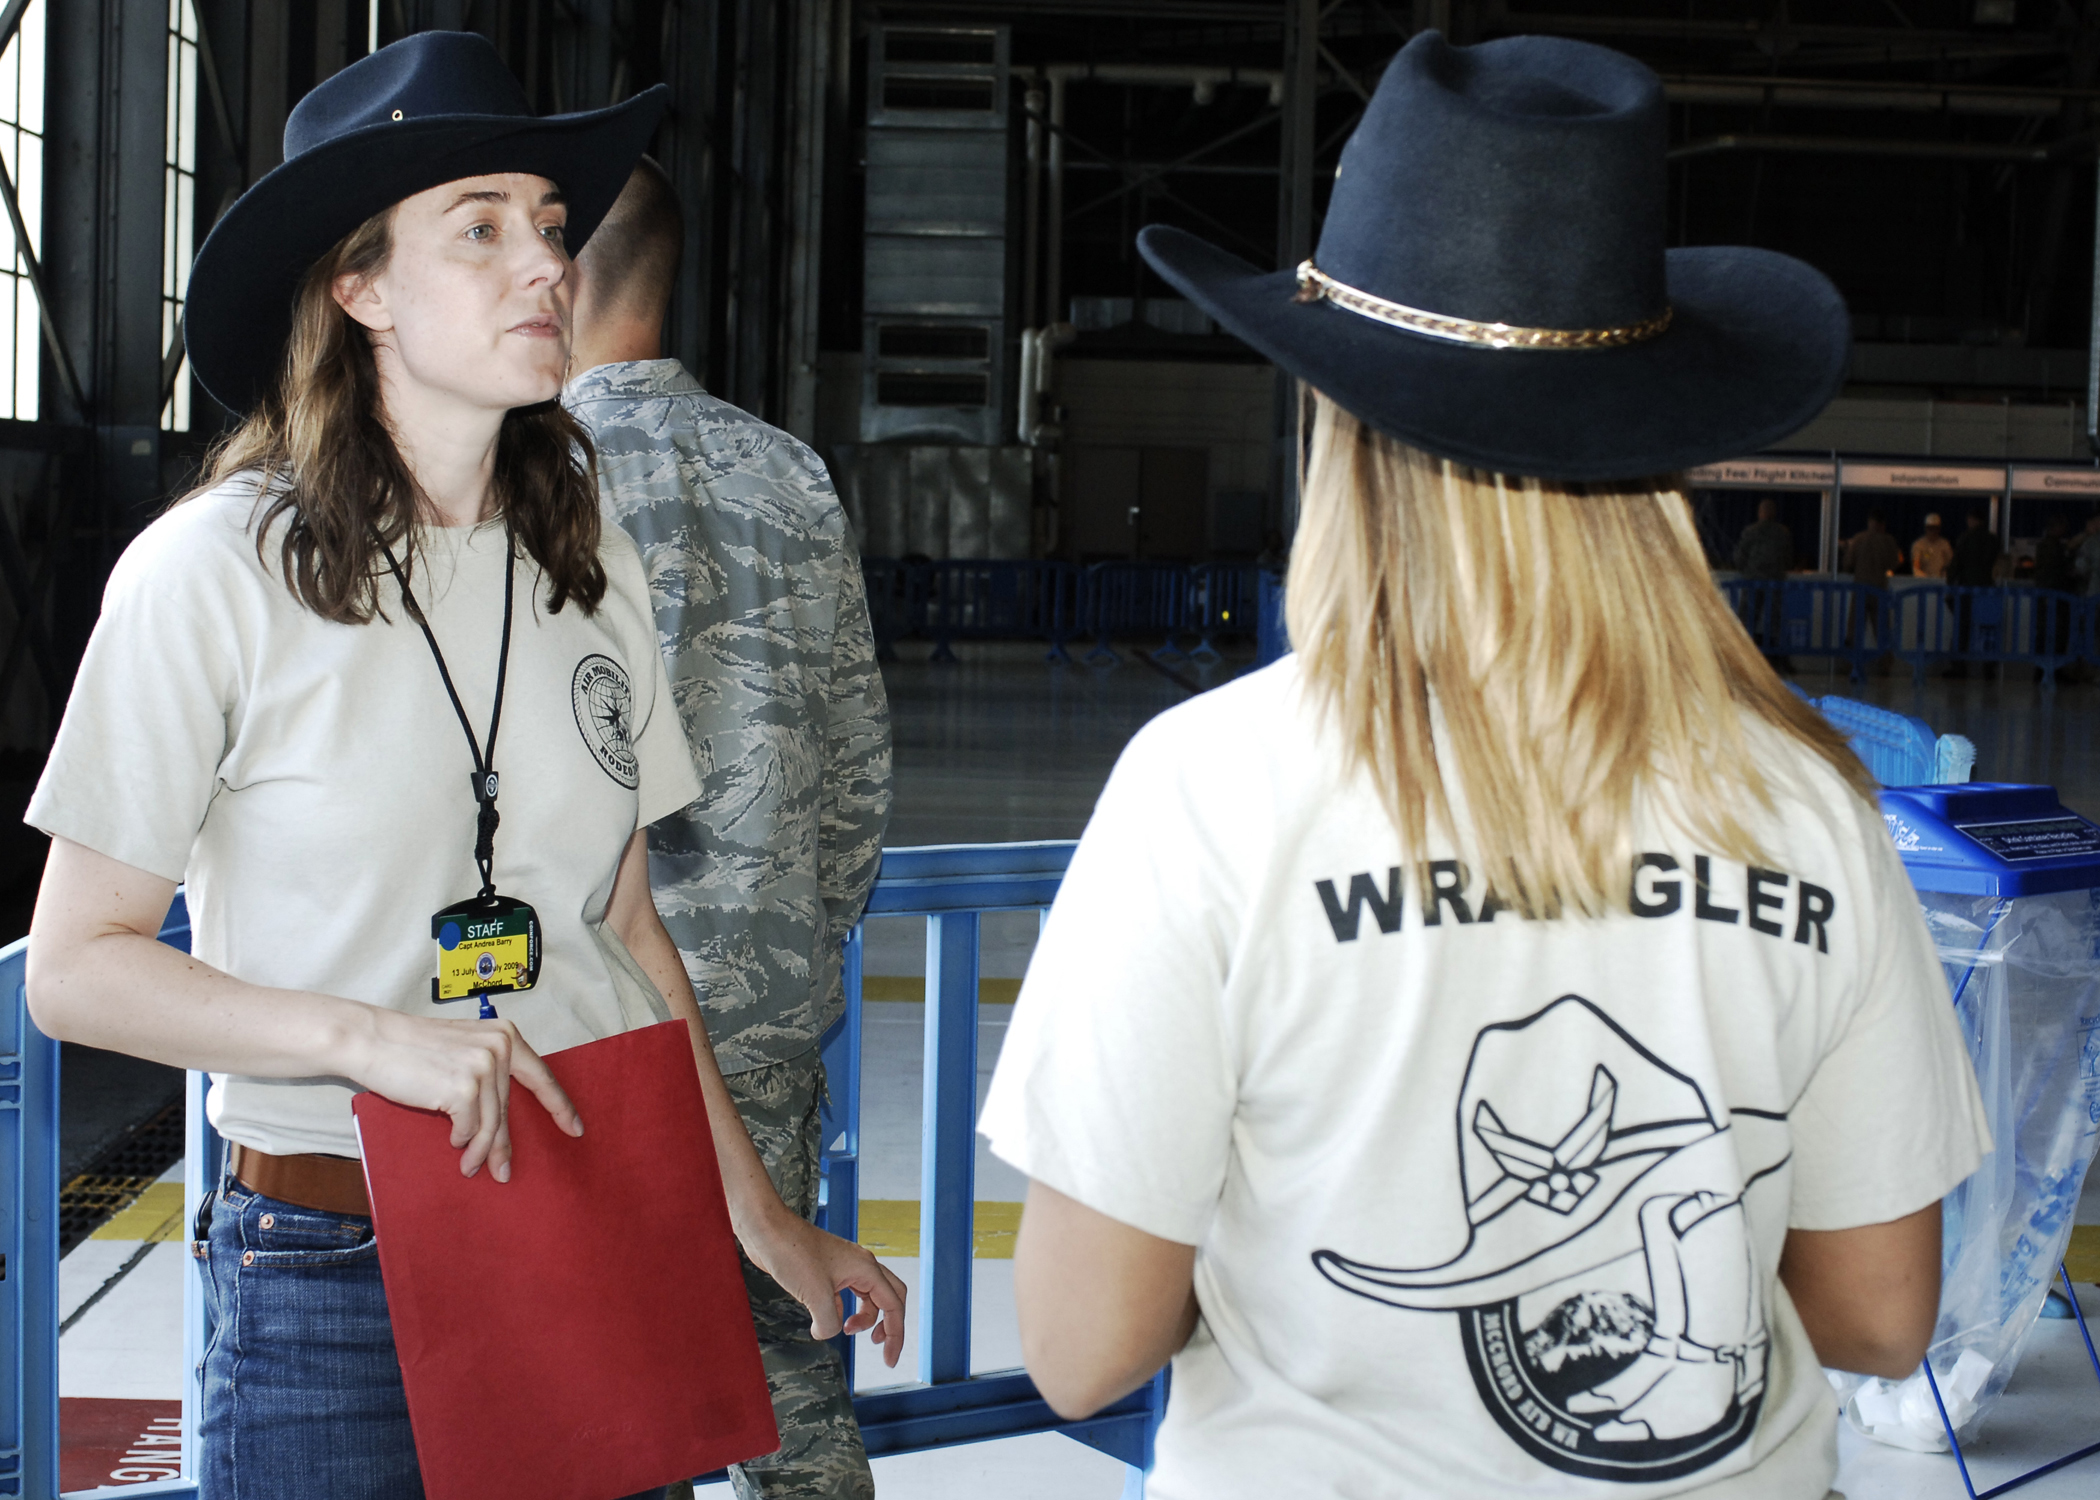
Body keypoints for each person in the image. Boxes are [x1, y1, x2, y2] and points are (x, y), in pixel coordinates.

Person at [978, 33, 1986, 1500]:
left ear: (1340, 424)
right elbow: (1883, 1318)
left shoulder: (1211, 788)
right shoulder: (1804, 797)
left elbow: (1083, 1347)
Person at [19, 35, 900, 1500]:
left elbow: (626, 935)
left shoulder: (586, 555)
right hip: (335, 1263)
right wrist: (376, 1041)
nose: (544, 264)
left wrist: (751, 1219)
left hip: (596, 1226)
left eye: (551, 226)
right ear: (357, 287)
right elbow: (75, 968)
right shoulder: (211, 576)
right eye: (479, 227)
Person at [565, 158, 894, 1500]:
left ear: (560, 272)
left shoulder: (521, 480)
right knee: (792, 1398)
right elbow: (860, 776)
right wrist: (790, 948)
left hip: (588, 1028)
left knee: (602, 1402)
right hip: (762, 1018)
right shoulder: (793, 475)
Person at [1729, 499, 1792, 664]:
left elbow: (1739, 556)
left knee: (1747, 619)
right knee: (1776, 621)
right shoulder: (1782, 533)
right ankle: (1779, 659)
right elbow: (1788, 559)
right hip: (1775, 582)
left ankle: (1742, 657)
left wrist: (1747, 572)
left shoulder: (1750, 531)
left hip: (1752, 582)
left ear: (1760, 513)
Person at [1840, 510, 1901, 661]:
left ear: (1869, 522)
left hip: (1860, 588)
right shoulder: (1889, 541)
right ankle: (1885, 665)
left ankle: (1851, 663)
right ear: (1883, 524)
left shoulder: (1859, 539)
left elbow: (1847, 565)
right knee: (1882, 631)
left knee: (1854, 630)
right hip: (1879, 589)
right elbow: (1894, 563)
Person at [1946, 508, 2002, 672]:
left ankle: (1958, 667)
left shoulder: (1966, 538)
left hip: (1966, 589)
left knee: (1962, 629)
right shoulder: (1993, 540)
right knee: (1987, 629)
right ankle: (1989, 667)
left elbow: (1955, 565)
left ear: (1971, 519)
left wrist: (1950, 585)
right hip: (1987, 588)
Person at [1912, 512, 1953, 580]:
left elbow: (1950, 563)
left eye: (1935, 528)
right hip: (1924, 580)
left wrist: (1945, 575)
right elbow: (1916, 566)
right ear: (1926, 528)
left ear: (1939, 529)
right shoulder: (1919, 545)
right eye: (1930, 528)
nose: (1933, 531)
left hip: (1940, 580)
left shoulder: (1944, 544)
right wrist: (1924, 578)